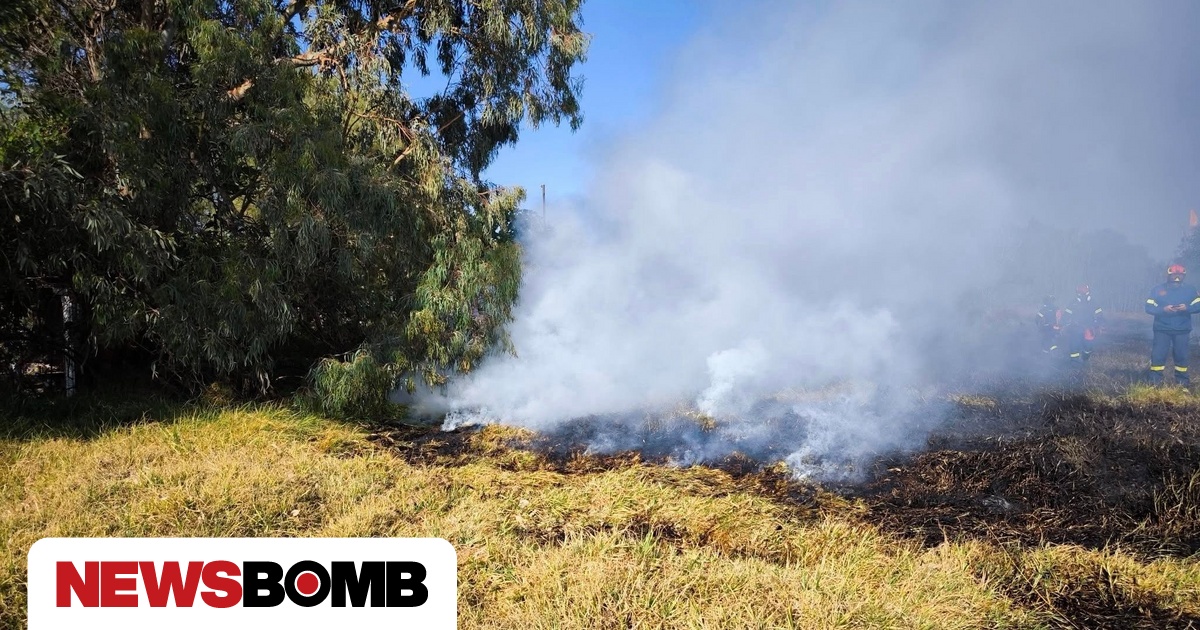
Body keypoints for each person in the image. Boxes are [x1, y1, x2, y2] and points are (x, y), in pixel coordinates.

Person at [1145, 264, 1200, 386]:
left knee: (1182, 357)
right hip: (1162, 329)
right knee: (1158, 357)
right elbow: (1148, 307)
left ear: (1184, 276)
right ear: (1168, 275)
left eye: (1180, 275)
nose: (1177, 278)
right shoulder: (1157, 290)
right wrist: (1163, 309)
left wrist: (1187, 308)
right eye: (1174, 275)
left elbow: (1198, 305)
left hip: (1182, 330)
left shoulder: (1190, 290)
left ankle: (1182, 385)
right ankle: (1155, 384)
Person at [1063, 284, 1103, 363]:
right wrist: (1065, 324)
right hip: (1075, 328)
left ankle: (1085, 359)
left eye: (1083, 291)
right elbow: (1066, 315)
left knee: (1088, 347)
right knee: (1074, 347)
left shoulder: (1093, 303)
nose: (1082, 293)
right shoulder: (1073, 303)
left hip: (1089, 328)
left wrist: (1098, 326)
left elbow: (1099, 315)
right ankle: (1074, 365)